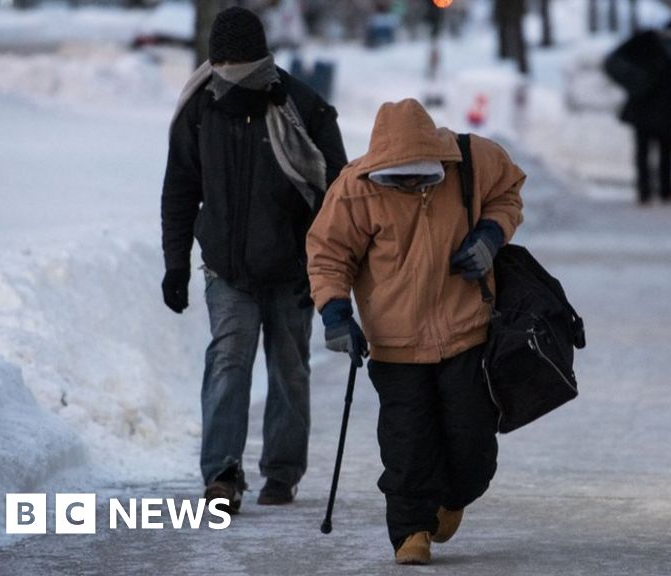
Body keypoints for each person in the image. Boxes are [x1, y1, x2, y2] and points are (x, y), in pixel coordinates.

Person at [306, 98, 525, 565]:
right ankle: (411, 532)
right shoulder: (354, 188)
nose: (409, 184)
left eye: (420, 175)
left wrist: (490, 234)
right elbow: (328, 254)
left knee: (473, 448)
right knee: (407, 446)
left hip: (466, 334)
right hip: (394, 344)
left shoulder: (473, 161)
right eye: (398, 177)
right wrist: (335, 313)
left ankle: (453, 497)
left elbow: (509, 193)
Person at [160, 6, 347, 513]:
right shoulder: (201, 107)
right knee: (227, 362)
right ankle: (221, 474)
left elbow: (339, 194)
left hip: (292, 271)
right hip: (228, 268)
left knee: (289, 370)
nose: (230, 76)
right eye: (223, 65)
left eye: (239, 65)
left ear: (260, 58)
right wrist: (176, 264)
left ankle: (281, 475)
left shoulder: (302, 107)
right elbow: (180, 187)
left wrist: (325, 266)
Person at [604, 19, 671, 204]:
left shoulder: (654, 46)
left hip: (648, 110)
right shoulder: (658, 47)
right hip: (655, 111)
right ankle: (660, 191)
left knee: (650, 152)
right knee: (660, 152)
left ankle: (648, 191)